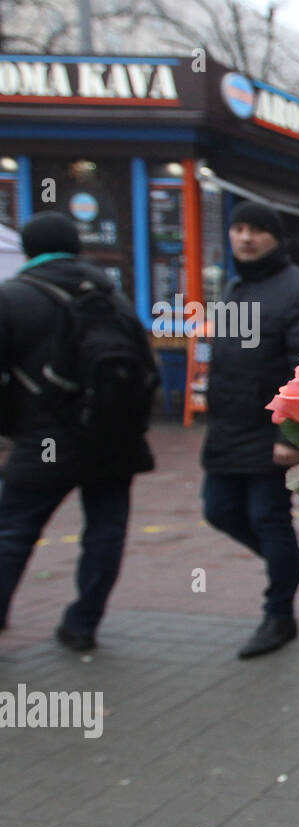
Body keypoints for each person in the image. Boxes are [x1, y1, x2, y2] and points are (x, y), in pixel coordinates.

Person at [0, 212, 156, 650]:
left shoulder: (12, 297)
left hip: (41, 440)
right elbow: (144, 369)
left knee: (12, 532)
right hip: (112, 439)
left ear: (29, 249)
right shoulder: (112, 298)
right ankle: (82, 623)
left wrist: (13, 425)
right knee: (104, 533)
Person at [200, 201, 299, 658]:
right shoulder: (235, 287)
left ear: (277, 238)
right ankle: (291, 564)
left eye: (257, 229)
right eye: (238, 228)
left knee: (267, 519)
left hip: (269, 432)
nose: (245, 237)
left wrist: (291, 437)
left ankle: (279, 616)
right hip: (227, 428)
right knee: (218, 510)